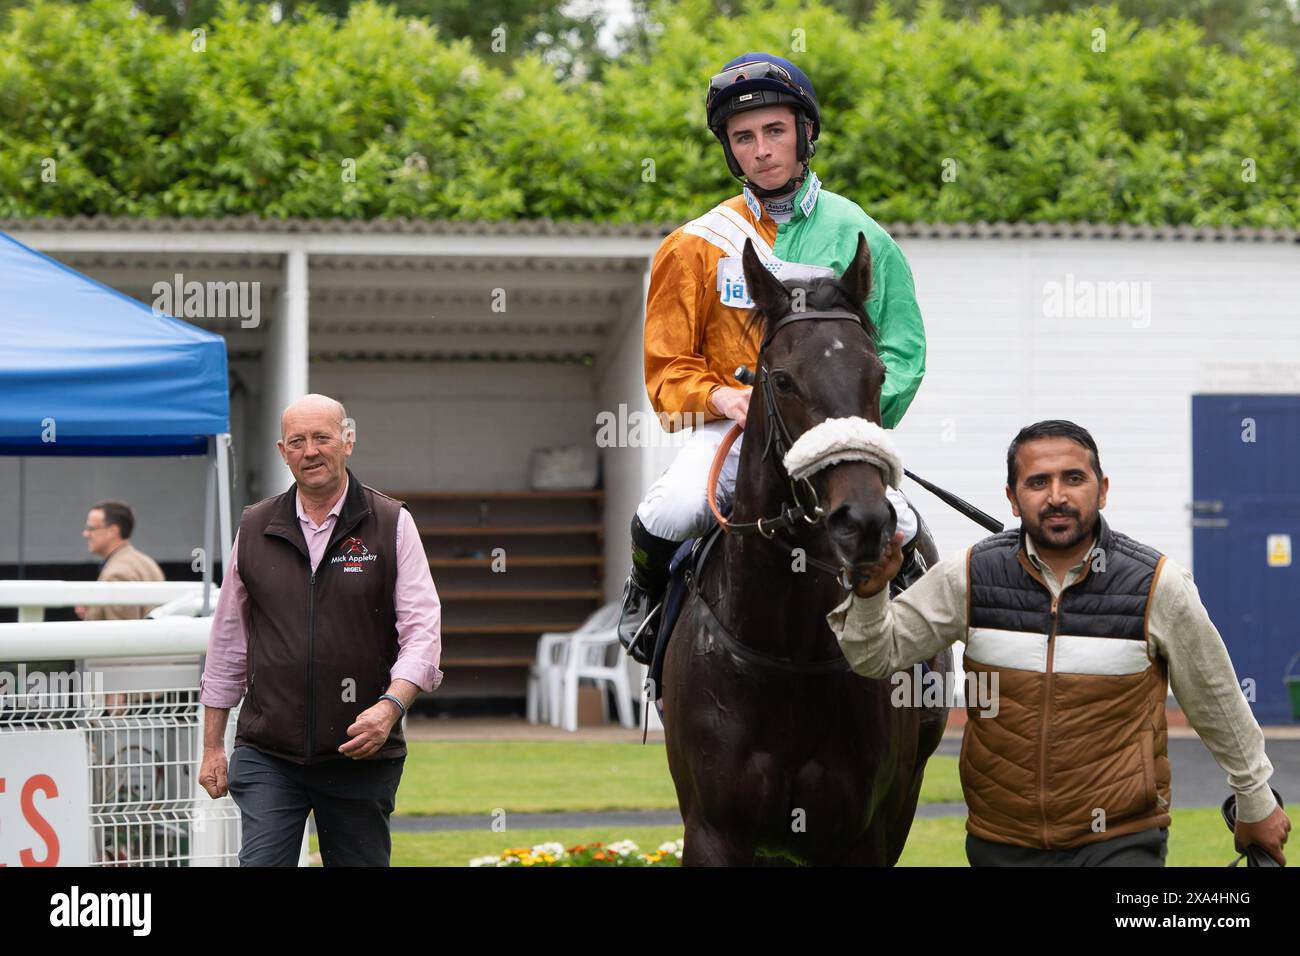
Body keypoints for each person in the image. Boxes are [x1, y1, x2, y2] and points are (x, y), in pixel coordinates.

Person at [828, 419, 1292, 866]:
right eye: (1037, 482)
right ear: (1012, 498)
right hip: (1000, 841)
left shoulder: (1156, 585)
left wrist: (1255, 799)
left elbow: (1217, 699)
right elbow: (874, 656)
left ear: (1102, 489)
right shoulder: (968, 576)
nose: (1057, 496)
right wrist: (869, 594)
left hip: (1120, 839)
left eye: (1073, 478)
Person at [617, 52, 929, 662]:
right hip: (735, 432)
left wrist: (851, 415)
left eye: (775, 131)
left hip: (837, 430)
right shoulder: (693, 246)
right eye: (744, 138)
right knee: (672, 509)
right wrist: (719, 396)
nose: (761, 149)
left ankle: (911, 621)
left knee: (906, 525)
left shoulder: (862, 235)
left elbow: (902, 349)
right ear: (731, 150)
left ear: (805, 132)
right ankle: (646, 599)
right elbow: (667, 366)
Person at [197, 394, 443, 867]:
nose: (310, 451)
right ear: (282, 451)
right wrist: (212, 746)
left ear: (347, 441)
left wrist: (389, 709)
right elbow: (228, 642)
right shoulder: (254, 526)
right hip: (268, 751)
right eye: (297, 441)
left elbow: (422, 633)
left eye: (322, 438)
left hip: (360, 753)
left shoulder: (391, 522)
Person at [77, 500, 165, 620]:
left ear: (113, 531)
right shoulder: (147, 562)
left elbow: (121, 635)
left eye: (91, 528)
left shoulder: (117, 574)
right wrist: (93, 612)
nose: (85, 534)